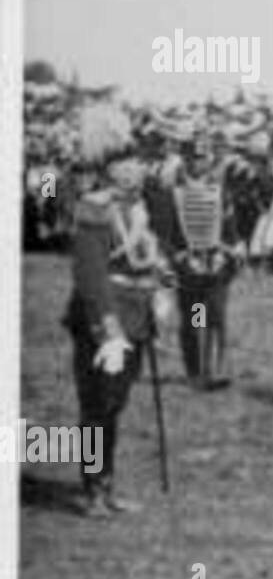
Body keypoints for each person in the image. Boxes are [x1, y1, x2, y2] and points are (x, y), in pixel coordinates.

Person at [63, 103, 170, 516]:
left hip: (136, 316)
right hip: (104, 321)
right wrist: (108, 331)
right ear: (108, 171)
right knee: (98, 406)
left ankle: (106, 485)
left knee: (115, 404)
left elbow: (150, 260)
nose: (133, 170)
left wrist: (162, 289)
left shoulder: (139, 207)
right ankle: (93, 489)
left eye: (136, 163)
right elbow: (90, 278)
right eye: (124, 164)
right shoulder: (94, 209)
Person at [165, 134, 243, 391]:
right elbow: (166, 233)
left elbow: (230, 228)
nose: (199, 163)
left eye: (204, 157)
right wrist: (180, 259)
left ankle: (216, 371)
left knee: (217, 315)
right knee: (195, 317)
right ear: (185, 159)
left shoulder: (221, 191)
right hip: (189, 265)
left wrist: (229, 252)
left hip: (217, 263)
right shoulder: (172, 192)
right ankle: (196, 370)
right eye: (194, 157)